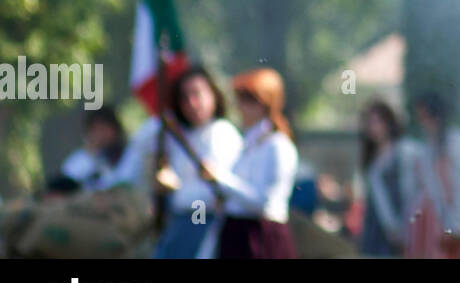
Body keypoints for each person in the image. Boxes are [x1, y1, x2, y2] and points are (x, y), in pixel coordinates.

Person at [115, 67, 243, 257]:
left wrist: (175, 188)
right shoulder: (178, 134)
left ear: (213, 94)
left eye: (197, 94)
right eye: (185, 97)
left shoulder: (222, 133)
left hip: (203, 221)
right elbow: (138, 148)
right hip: (180, 221)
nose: (192, 103)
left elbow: (209, 198)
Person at [200, 67, 299, 259]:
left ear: (264, 104)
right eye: (240, 100)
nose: (240, 107)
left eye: (248, 100)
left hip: (263, 239)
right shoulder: (247, 143)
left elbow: (265, 203)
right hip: (237, 236)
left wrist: (221, 178)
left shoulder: (278, 146)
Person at [406, 92, 460, 258]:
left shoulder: (459, 143)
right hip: (431, 223)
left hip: (454, 224)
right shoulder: (427, 148)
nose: (423, 123)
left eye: (425, 117)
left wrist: (457, 225)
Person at [357, 100, 424, 257]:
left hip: (399, 226)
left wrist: (403, 228)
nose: (373, 128)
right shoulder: (370, 157)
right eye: (369, 122)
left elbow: (412, 192)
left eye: (377, 122)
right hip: (375, 226)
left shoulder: (404, 151)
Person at [56, 107, 126, 193]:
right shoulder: (75, 162)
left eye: (106, 128)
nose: (102, 134)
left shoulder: (126, 155)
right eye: (98, 129)